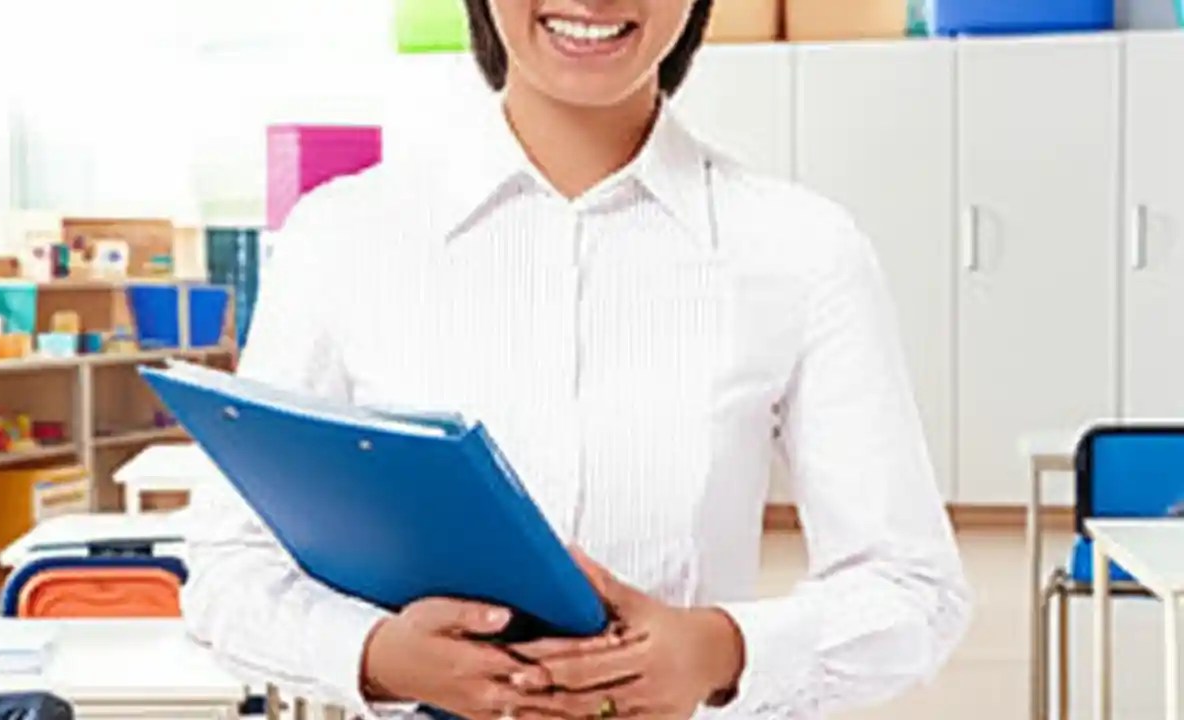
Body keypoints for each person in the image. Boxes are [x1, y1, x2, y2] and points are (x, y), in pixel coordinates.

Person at [182, 0, 972, 718]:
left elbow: (912, 591)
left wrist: (719, 650)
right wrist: (379, 657)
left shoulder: (800, 248)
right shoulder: (344, 237)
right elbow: (226, 572)